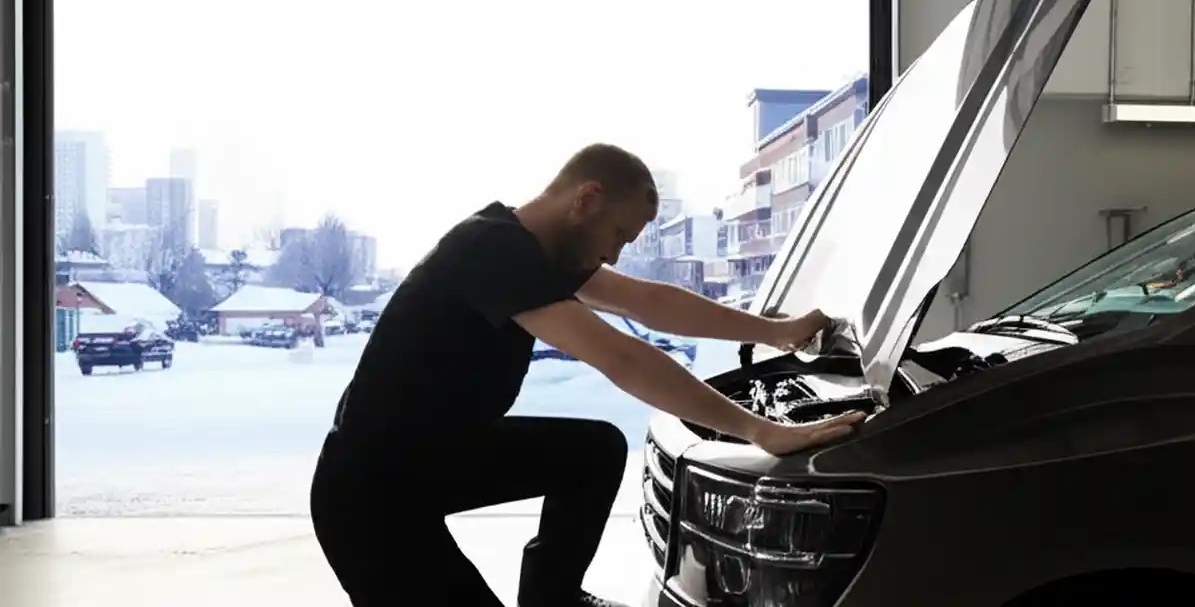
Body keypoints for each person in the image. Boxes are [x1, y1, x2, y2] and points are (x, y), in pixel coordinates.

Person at [309, 143, 866, 607]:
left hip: (433, 458)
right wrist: (761, 431)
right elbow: (621, 357)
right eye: (619, 235)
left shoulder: (540, 253)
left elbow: (649, 304)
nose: (617, 257)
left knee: (592, 453)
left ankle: (552, 601)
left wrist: (776, 332)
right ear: (587, 199)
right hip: (370, 497)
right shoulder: (491, 249)